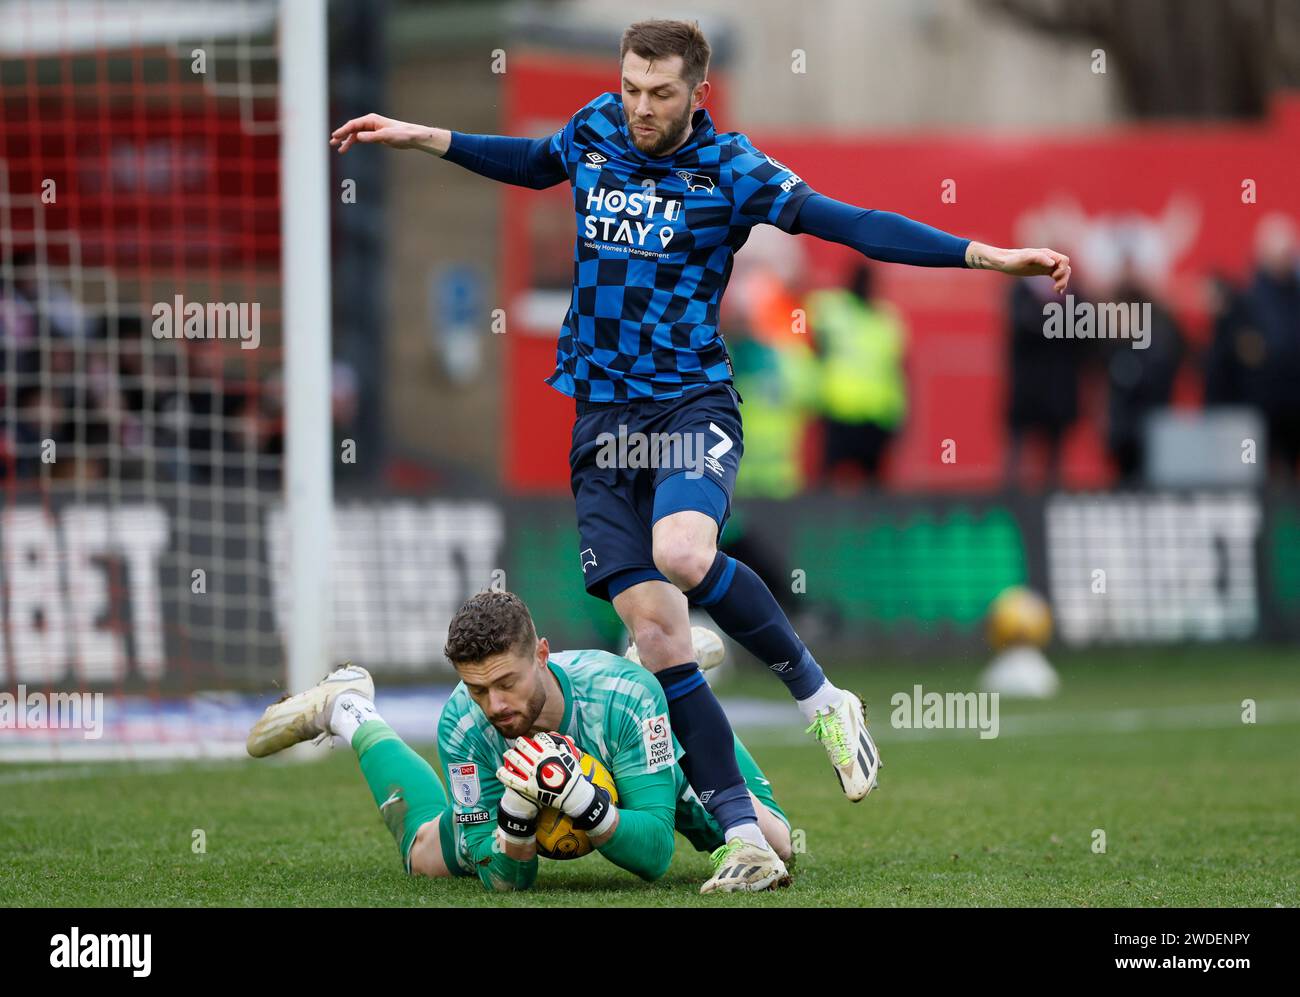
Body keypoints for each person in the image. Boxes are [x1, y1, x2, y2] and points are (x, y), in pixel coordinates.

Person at [330, 18, 1070, 890]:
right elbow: (532, 164)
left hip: (689, 401)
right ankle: (740, 840)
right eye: (631, 88)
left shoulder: (733, 170)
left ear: (697, 93)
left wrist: (985, 255)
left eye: (660, 94)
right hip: (601, 421)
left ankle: (823, 700)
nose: (640, 108)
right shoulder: (597, 127)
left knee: (684, 553)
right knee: (659, 636)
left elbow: (851, 223)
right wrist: (423, 135)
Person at [246, 591, 792, 894]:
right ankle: (347, 708)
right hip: (529, 803)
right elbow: (506, 883)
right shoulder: (464, 724)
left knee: (777, 842)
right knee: (424, 857)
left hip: (632, 739)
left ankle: (666, 680)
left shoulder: (623, 699)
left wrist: (583, 801)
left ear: (542, 656)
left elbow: (654, 856)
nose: (496, 705)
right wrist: (516, 810)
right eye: (478, 687)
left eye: (507, 682)